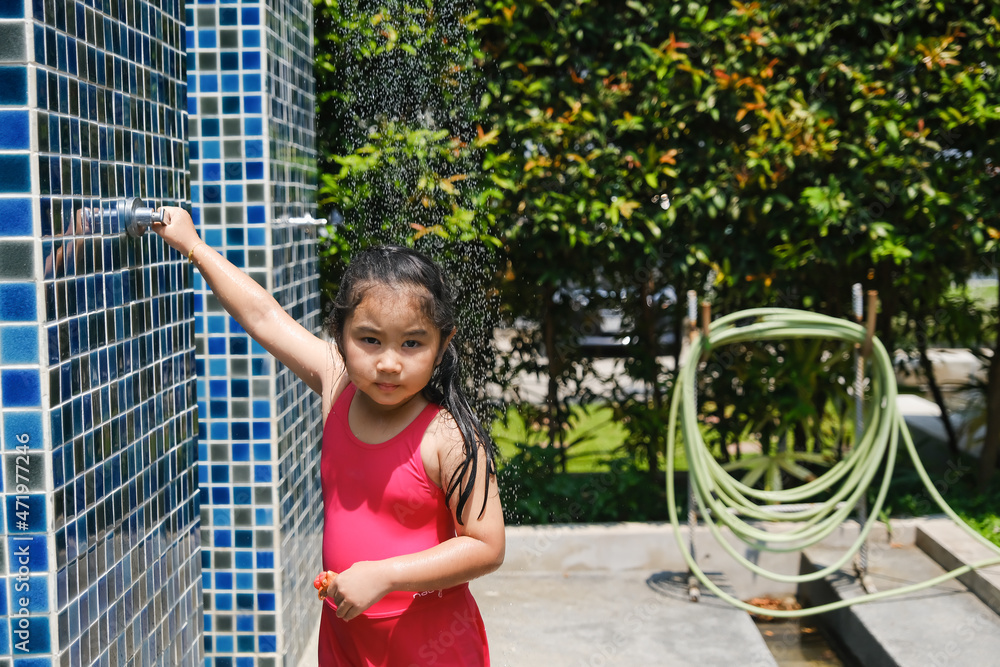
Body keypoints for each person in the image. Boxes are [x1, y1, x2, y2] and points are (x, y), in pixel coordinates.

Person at [152, 207, 505, 666]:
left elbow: (486, 545)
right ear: (339, 335)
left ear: (443, 343)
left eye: (412, 343)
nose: (389, 363)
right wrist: (195, 248)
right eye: (370, 340)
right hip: (345, 636)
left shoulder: (448, 436)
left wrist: (385, 575)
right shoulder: (338, 384)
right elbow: (263, 315)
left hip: (429, 645)